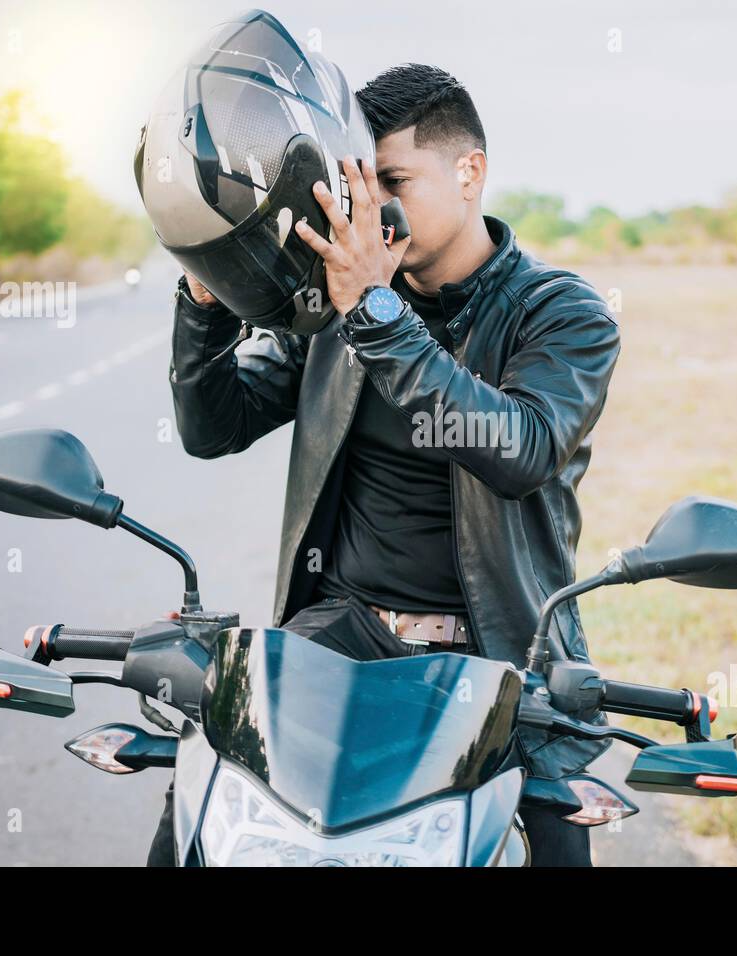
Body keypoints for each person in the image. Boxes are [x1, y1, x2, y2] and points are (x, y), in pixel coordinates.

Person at [149, 63, 620, 867]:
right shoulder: (335, 310)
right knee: (197, 825)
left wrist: (373, 309)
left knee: (551, 848)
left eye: (393, 180)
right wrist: (204, 295)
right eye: (358, 181)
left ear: (470, 173)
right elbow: (212, 426)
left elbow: (520, 450)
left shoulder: (561, 312)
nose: (371, 207)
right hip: (337, 639)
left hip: (502, 658)